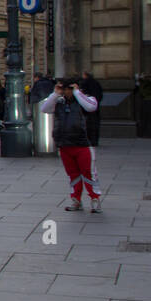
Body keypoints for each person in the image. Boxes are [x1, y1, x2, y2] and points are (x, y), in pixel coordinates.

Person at [40, 78, 102, 211]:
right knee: (73, 174)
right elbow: (45, 108)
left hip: (83, 143)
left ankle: (95, 198)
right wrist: (55, 93)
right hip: (65, 144)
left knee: (89, 173)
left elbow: (91, 107)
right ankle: (76, 199)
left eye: (69, 89)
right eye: (64, 89)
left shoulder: (86, 99)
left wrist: (78, 93)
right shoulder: (59, 101)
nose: (66, 92)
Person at [79, 71, 104, 147]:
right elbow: (100, 95)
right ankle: (95, 141)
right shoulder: (96, 83)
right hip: (95, 105)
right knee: (95, 124)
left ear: (85, 75)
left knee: (87, 124)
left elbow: (82, 95)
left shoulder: (84, 83)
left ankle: (89, 140)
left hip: (86, 106)